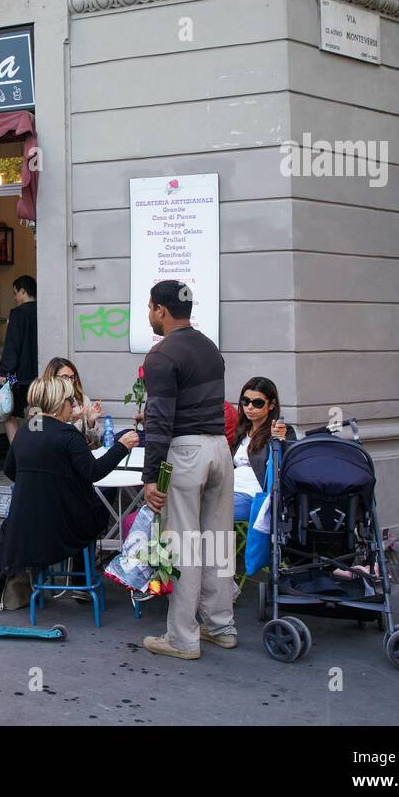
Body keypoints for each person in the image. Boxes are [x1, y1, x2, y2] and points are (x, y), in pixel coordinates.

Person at [0, 376, 138, 611]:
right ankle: (80, 582)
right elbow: (94, 472)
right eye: (70, 402)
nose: (73, 407)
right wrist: (121, 446)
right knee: (90, 510)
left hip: (29, 529)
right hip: (68, 529)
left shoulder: (26, 431)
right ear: (60, 404)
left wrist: (40, 486)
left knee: (10, 525)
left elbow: (10, 470)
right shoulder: (68, 436)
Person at [139, 280, 235, 660]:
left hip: (186, 451)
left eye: (150, 308)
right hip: (219, 449)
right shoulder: (209, 347)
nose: (149, 315)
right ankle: (221, 625)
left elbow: (160, 420)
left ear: (161, 310)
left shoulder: (162, 355)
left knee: (184, 544)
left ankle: (182, 638)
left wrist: (150, 477)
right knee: (218, 541)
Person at [229, 377, 294, 521]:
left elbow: (289, 463)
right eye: (245, 401)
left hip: (254, 497)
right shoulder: (242, 429)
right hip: (227, 490)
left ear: (271, 405)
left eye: (257, 403)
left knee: (210, 507)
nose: (249, 407)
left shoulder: (282, 430)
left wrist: (280, 439)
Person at [0, 275, 38, 442]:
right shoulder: (42, 310)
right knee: (35, 413)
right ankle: (35, 453)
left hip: (17, 377)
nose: (15, 298)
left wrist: (4, 373)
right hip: (38, 376)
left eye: (16, 293)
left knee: (8, 412)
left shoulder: (18, 313)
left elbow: (12, 346)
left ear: (23, 291)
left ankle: (16, 455)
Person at [43, 356, 103, 444]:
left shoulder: (82, 399)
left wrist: (91, 422)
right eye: (64, 377)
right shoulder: (42, 401)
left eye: (72, 377)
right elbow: (38, 436)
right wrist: (69, 420)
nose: (70, 381)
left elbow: (95, 441)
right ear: (52, 377)